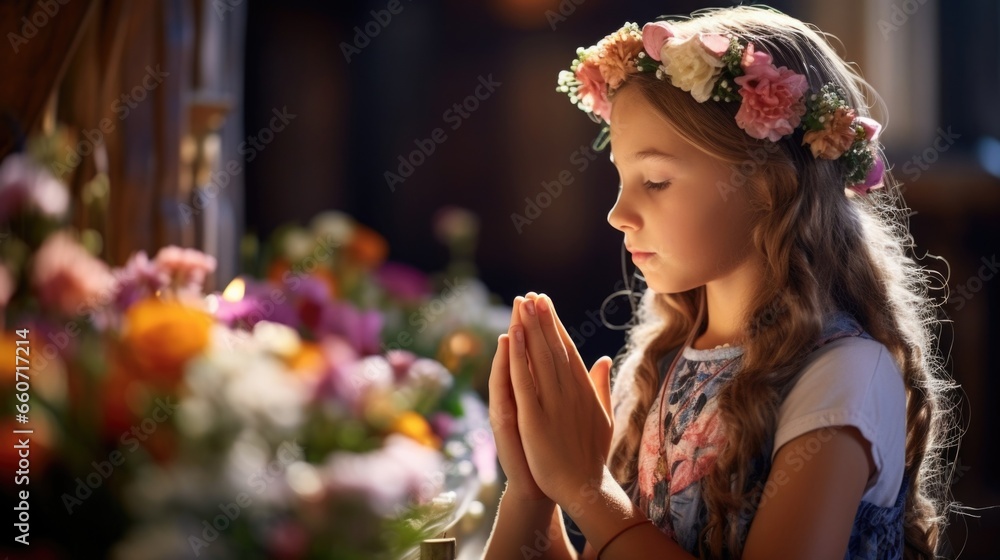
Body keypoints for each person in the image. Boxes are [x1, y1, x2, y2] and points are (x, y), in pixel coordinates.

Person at [482, 6, 958, 560]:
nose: (617, 213)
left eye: (656, 180)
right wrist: (534, 487)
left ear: (767, 183)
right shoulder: (664, 365)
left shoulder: (842, 374)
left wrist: (589, 492)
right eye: (621, 177)